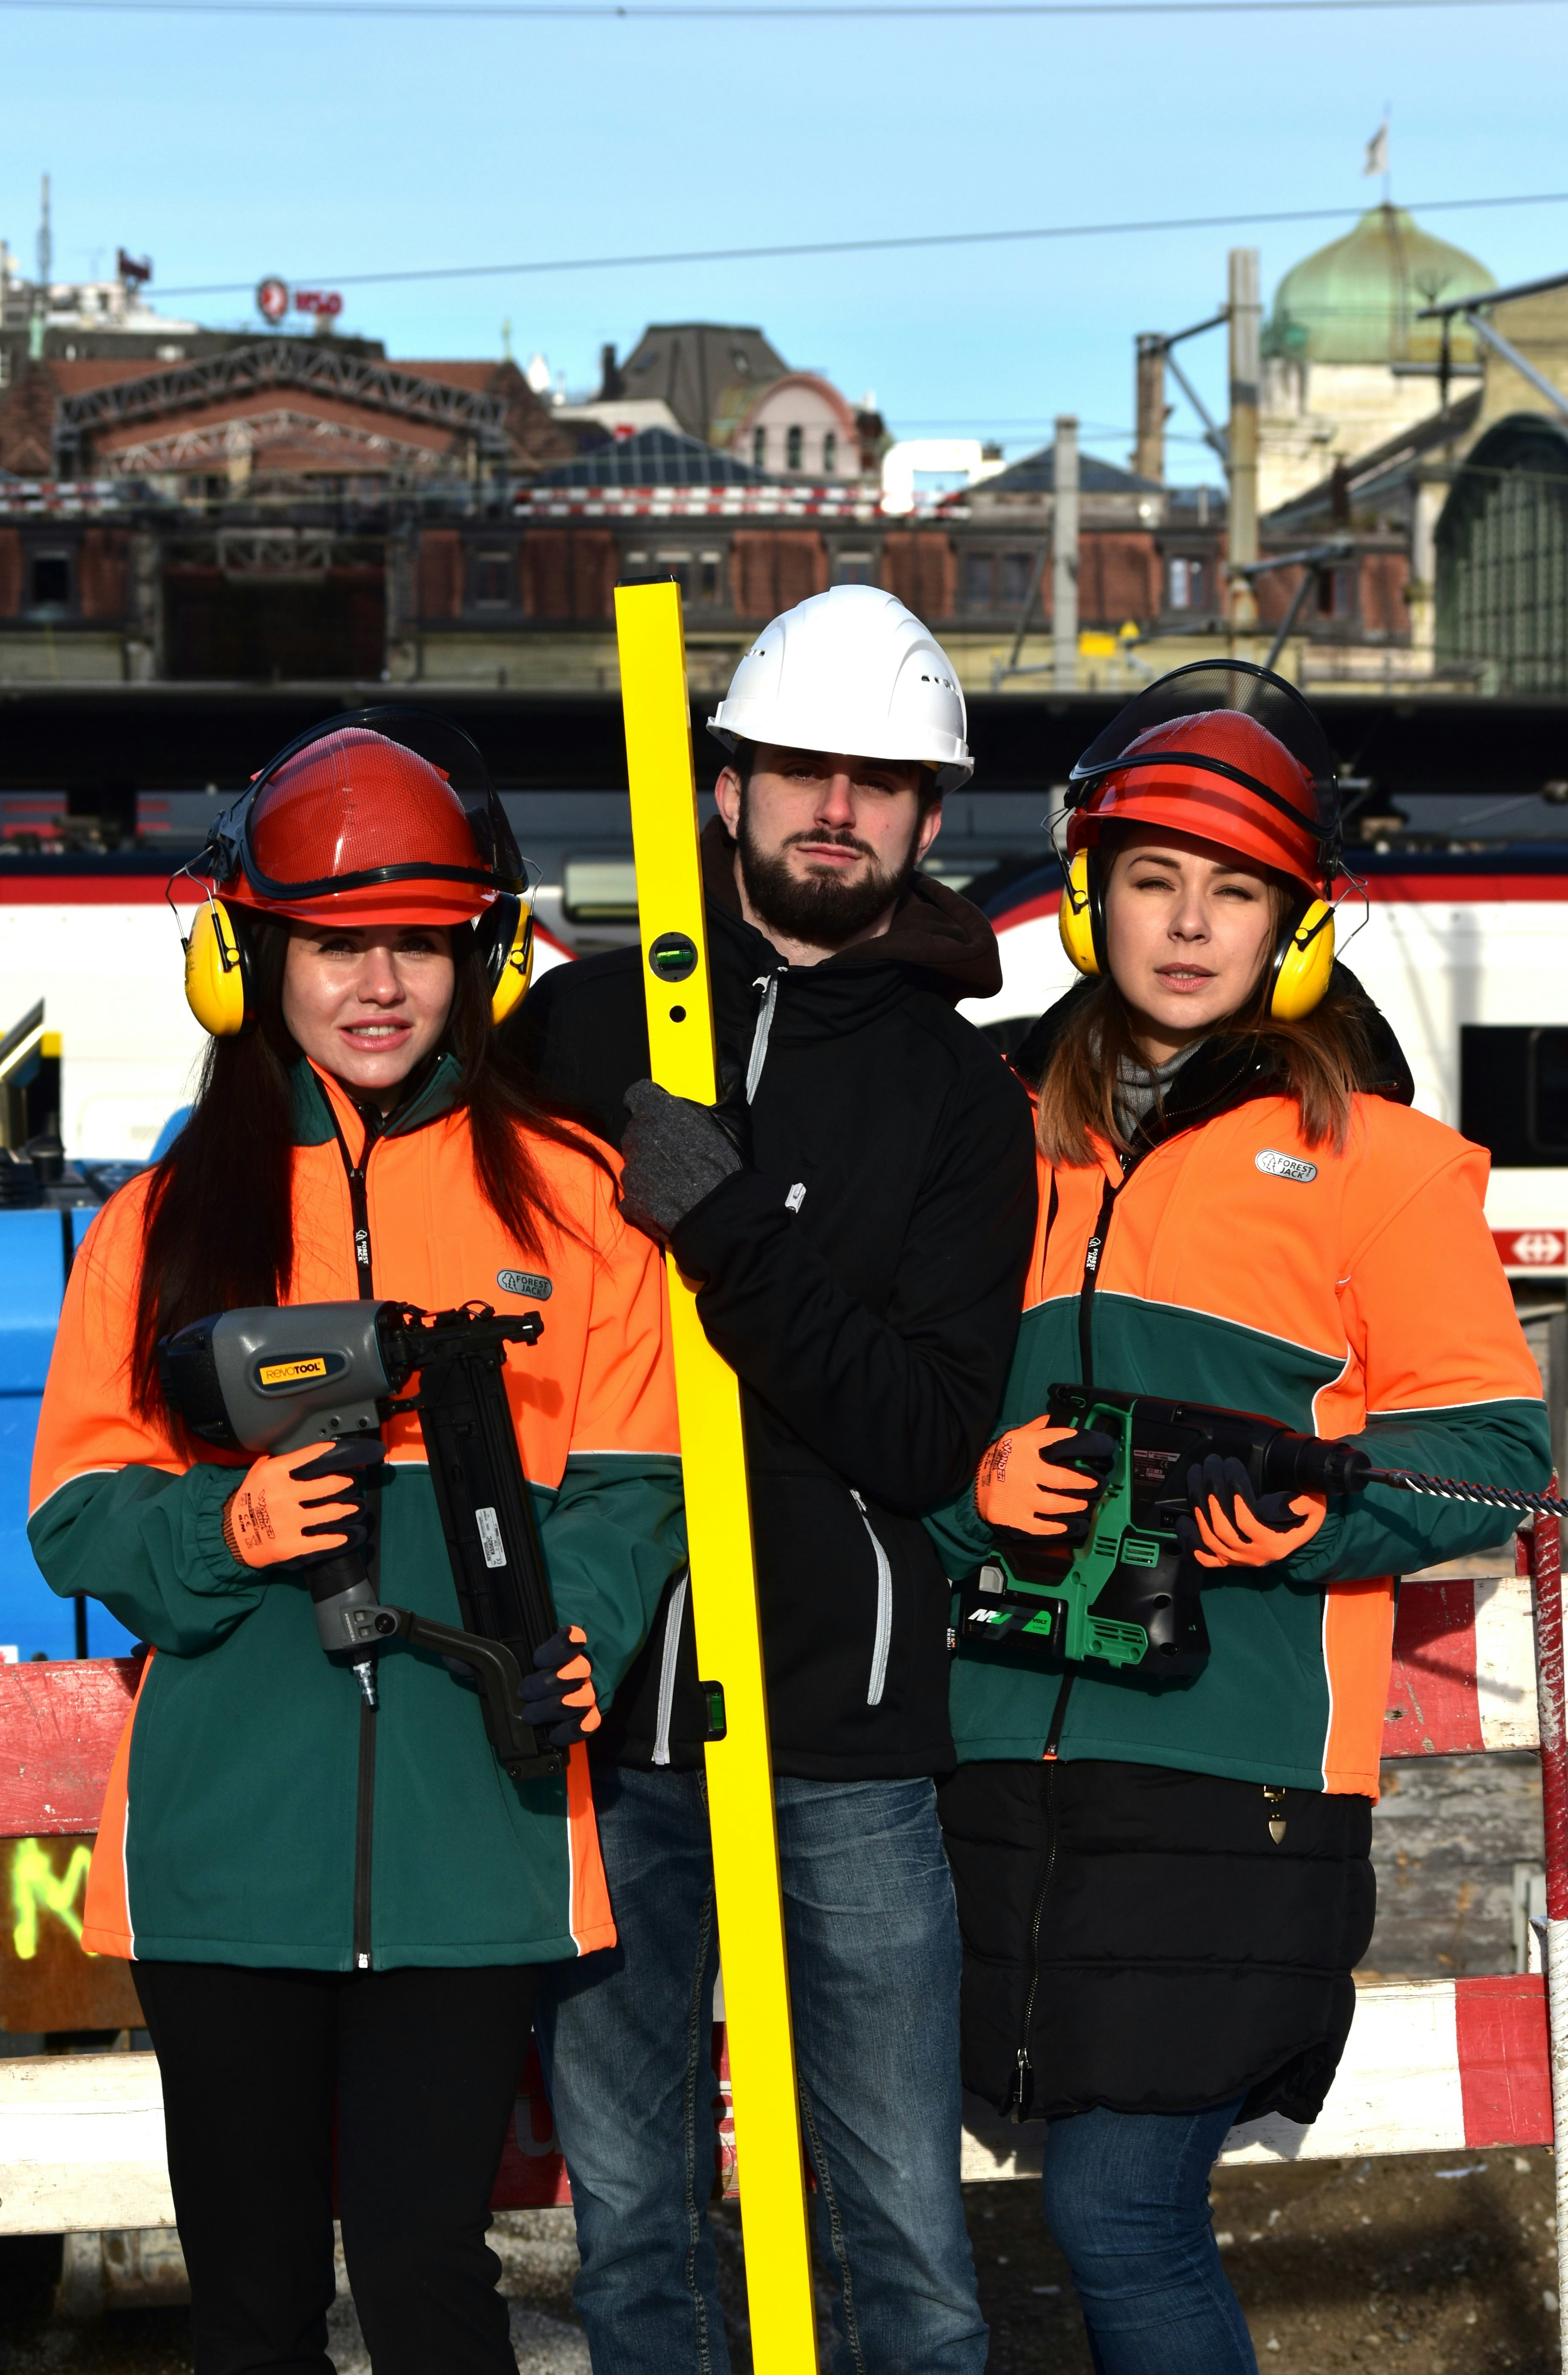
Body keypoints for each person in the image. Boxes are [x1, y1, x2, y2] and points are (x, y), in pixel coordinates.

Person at [29, 711, 685, 2375]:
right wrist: (224, 1520)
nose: (380, 981)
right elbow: (74, 1506)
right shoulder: (163, 1220)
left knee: (426, 2277)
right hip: (223, 1847)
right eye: (336, 943)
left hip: (482, 1835)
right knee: (248, 2302)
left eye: (418, 941)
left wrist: (578, 1630)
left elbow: (631, 1480)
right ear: (253, 958)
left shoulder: (581, 1197)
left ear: (479, 951)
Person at [927, 660, 1551, 2375]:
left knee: (1119, 2205)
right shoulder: (994, 1138)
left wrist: (1300, 1518)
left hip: (1240, 1773)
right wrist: (970, 1496)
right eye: (1153, 878)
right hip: (1002, 1763)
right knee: (975, 2205)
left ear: (1291, 924)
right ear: (1085, 893)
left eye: (1236, 891)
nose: (1188, 924)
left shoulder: (1381, 1161)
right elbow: (894, 1410)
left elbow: (1493, 1450)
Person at [510, 584, 1037, 2374]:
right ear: (724, 783)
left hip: (850, 1734)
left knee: (899, 2223)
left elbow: (920, 1430)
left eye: (882, 780)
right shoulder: (580, 1034)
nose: (839, 805)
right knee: (634, 2218)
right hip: (614, 1708)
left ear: (931, 816)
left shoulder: (967, 1102)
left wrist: (735, 1231)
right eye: (803, 766)